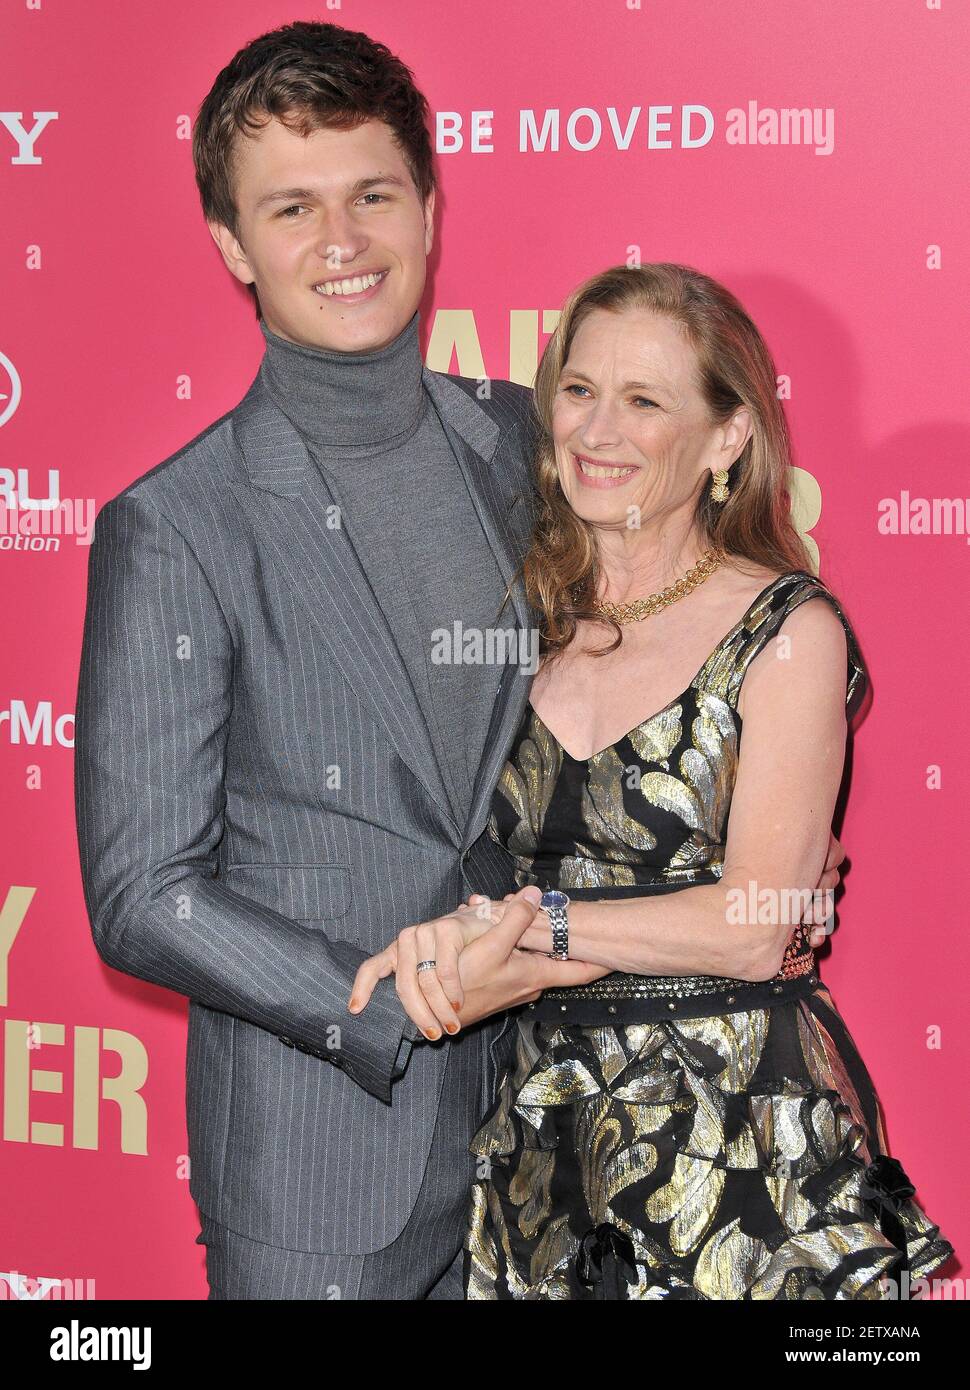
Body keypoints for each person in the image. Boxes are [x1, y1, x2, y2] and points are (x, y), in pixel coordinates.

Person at [73, 20, 844, 1300]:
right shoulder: (178, 525)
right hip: (323, 1157)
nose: (342, 240)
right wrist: (387, 999)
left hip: (552, 1137)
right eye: (292, 207)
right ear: (230, 245)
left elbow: (675, 660)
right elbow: (142, 888)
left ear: (428, 208)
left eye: (373, 193)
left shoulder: (528, 444)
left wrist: (759, 878)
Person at [350, 264, 955, 1300]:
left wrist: (536, 926)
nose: (599, 429)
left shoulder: (783, 631)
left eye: (645, 401)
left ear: (727, 439)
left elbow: (756, 925)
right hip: (539, 1136)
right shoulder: (509, 620)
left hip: (735, 1142)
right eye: (579, 390)